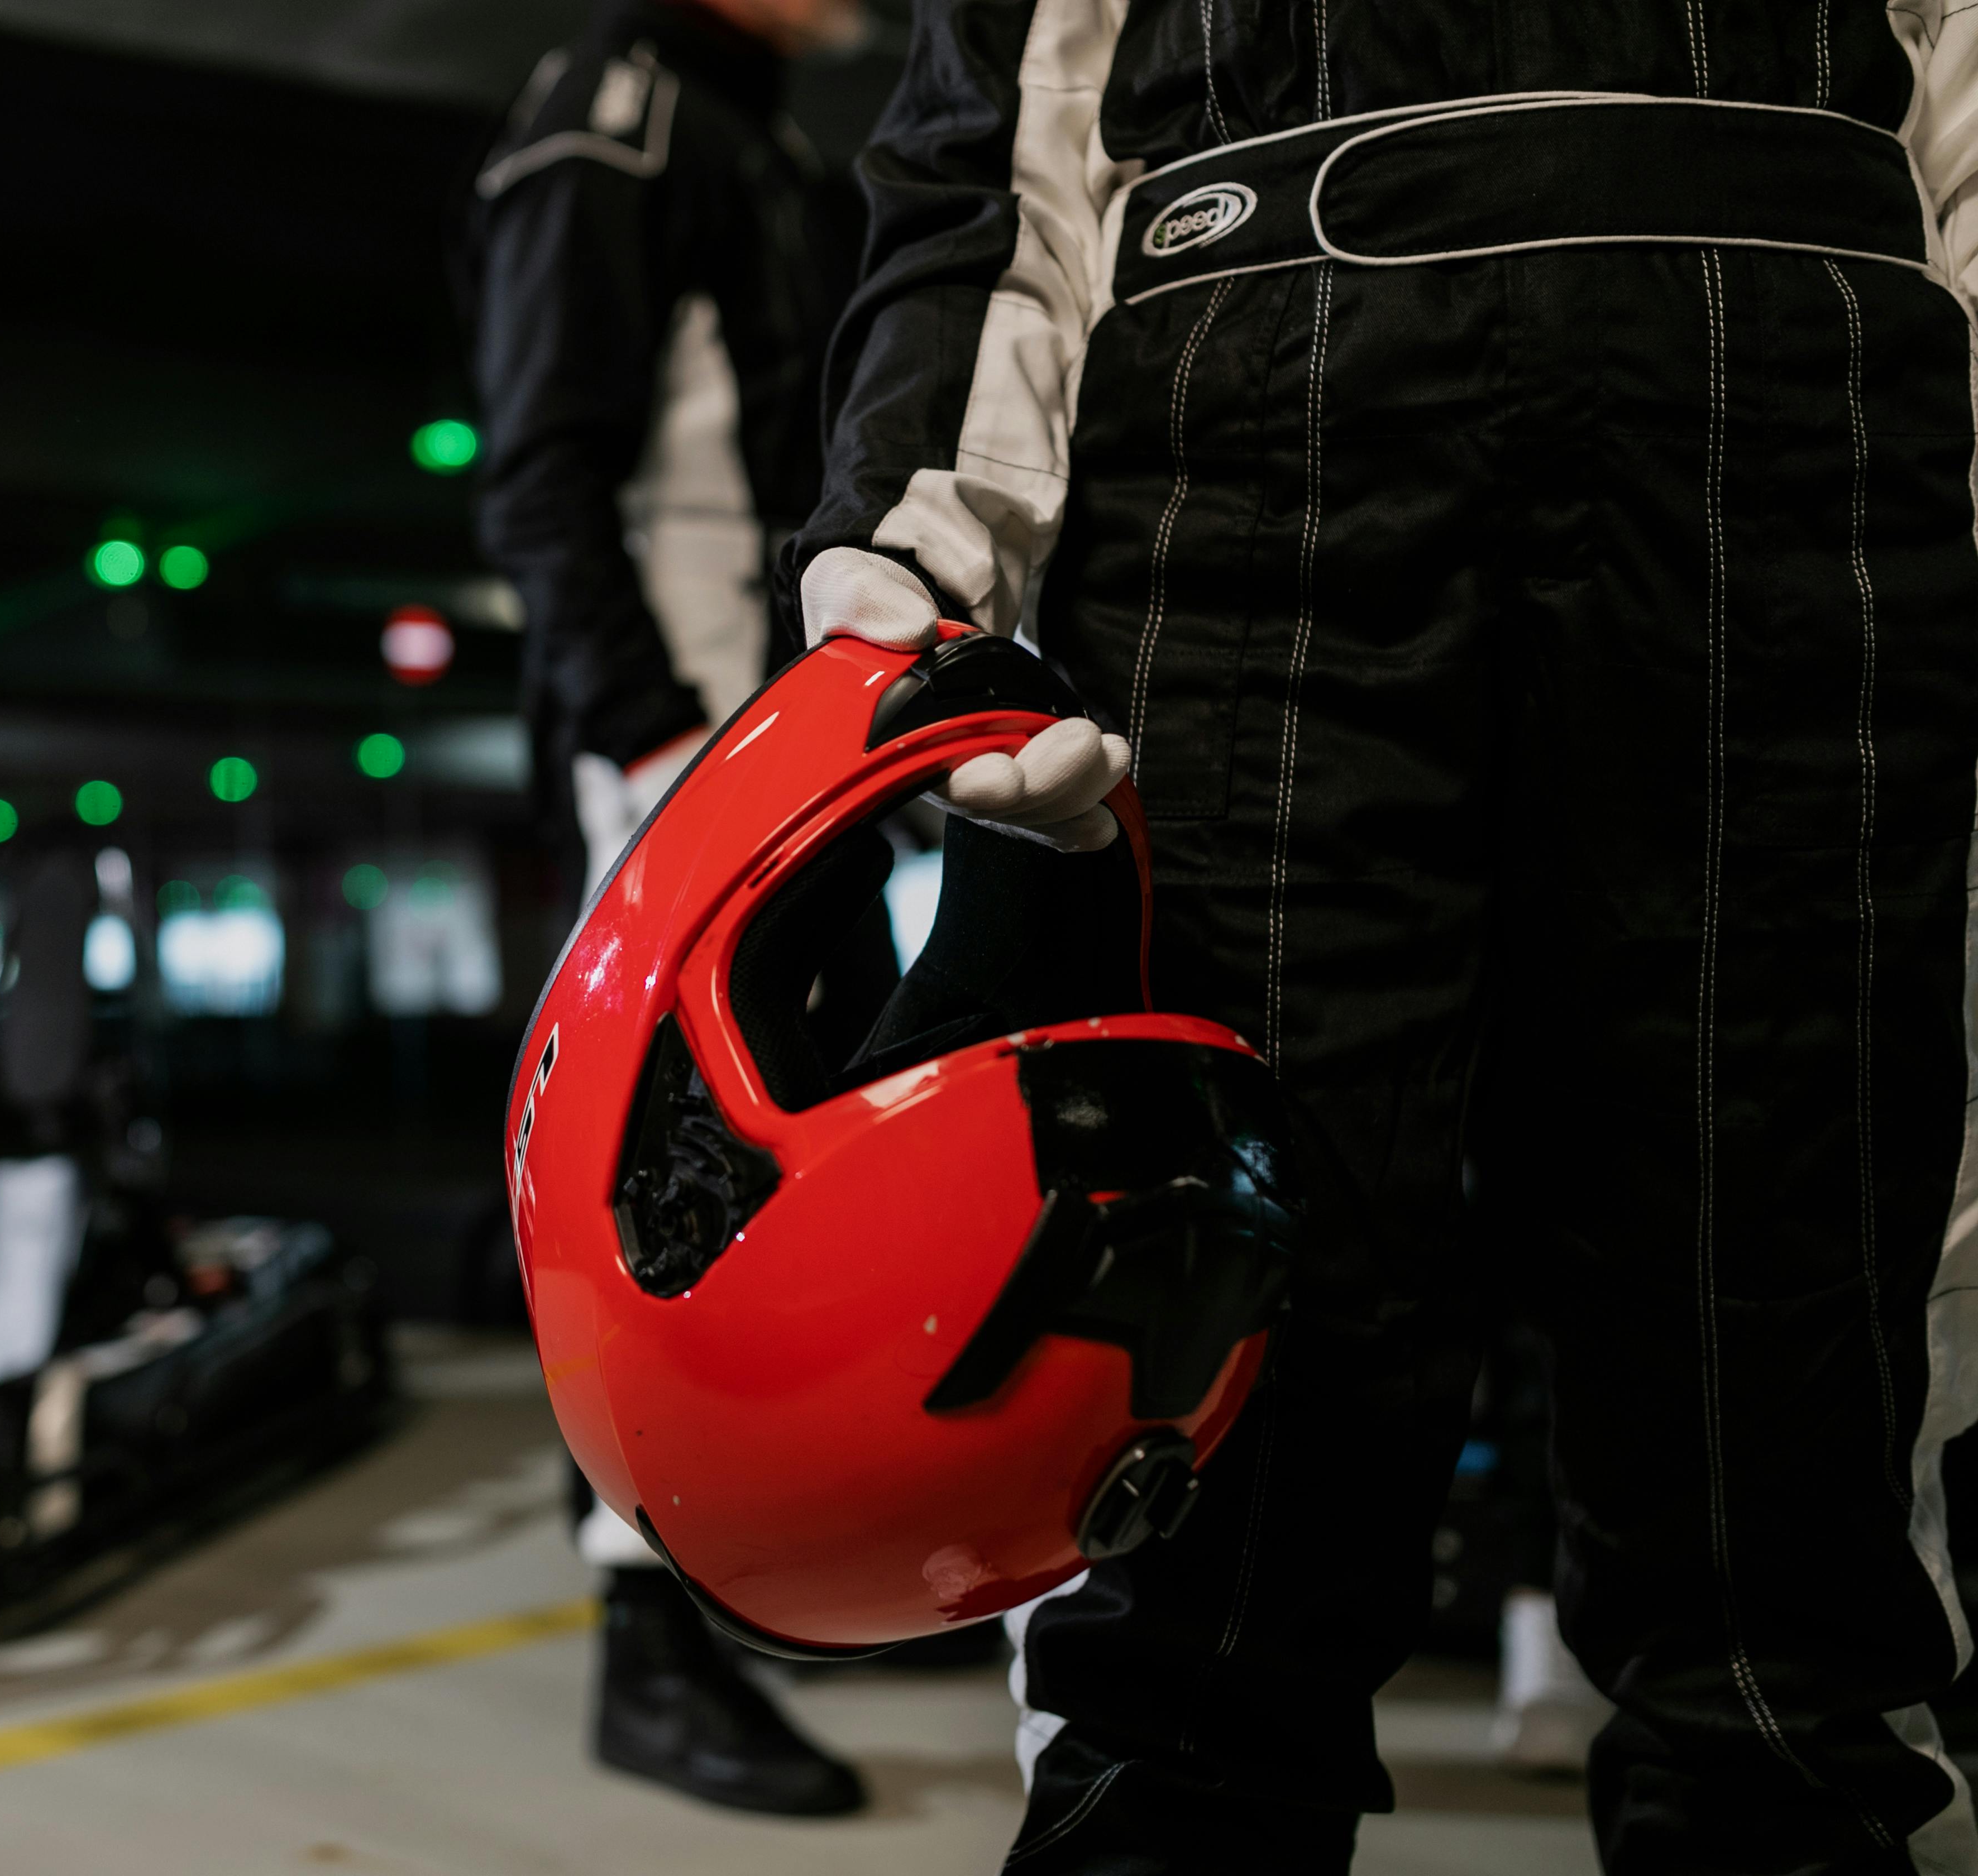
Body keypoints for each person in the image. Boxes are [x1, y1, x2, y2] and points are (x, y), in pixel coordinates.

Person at [789, 4, 1978, 1869]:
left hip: (1757, 411)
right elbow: (1003, 110)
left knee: (1781, 1449)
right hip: (1307, 411)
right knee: (1228, 1434)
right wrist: (912, 554)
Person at [465, 0, 872, 1817]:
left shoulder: (759, 135)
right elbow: (543, 464)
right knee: (667, 1168)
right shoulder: (615, 116)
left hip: (778, 707)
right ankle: (652, 1645)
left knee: (798, 1149)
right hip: (680, 723)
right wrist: (636, 737)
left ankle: (765, 1574)